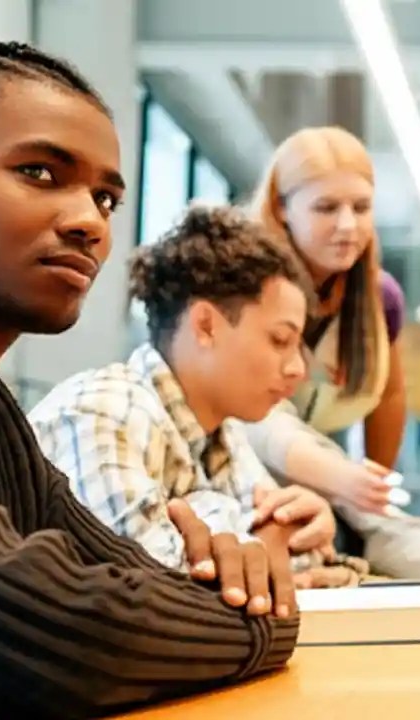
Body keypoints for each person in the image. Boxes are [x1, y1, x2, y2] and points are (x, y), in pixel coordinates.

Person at [0, 32, 296, 715]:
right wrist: (257, 619)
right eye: (40, 173)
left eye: (105, 199)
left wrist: (243, 587)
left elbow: (124, 576)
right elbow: (34, 632)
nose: (89, 223)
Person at [29, 206, 359, 586]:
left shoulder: (224, 437)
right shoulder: (104, 412)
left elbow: (289, 563)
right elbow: (149, 596)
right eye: (280, 340)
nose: (297, 369)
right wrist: (270, 552)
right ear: (205, 325)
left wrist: (307, 528)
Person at [243, 126, 407, 519]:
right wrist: (342, 478)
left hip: (326, 497)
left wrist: (374, 501)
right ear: (282, 208)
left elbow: (389, 396)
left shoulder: (380, 298)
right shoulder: (242, 288)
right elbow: (258, 420)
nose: (348, 226)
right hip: (237, 489)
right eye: (326, 208)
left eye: (362, 207)